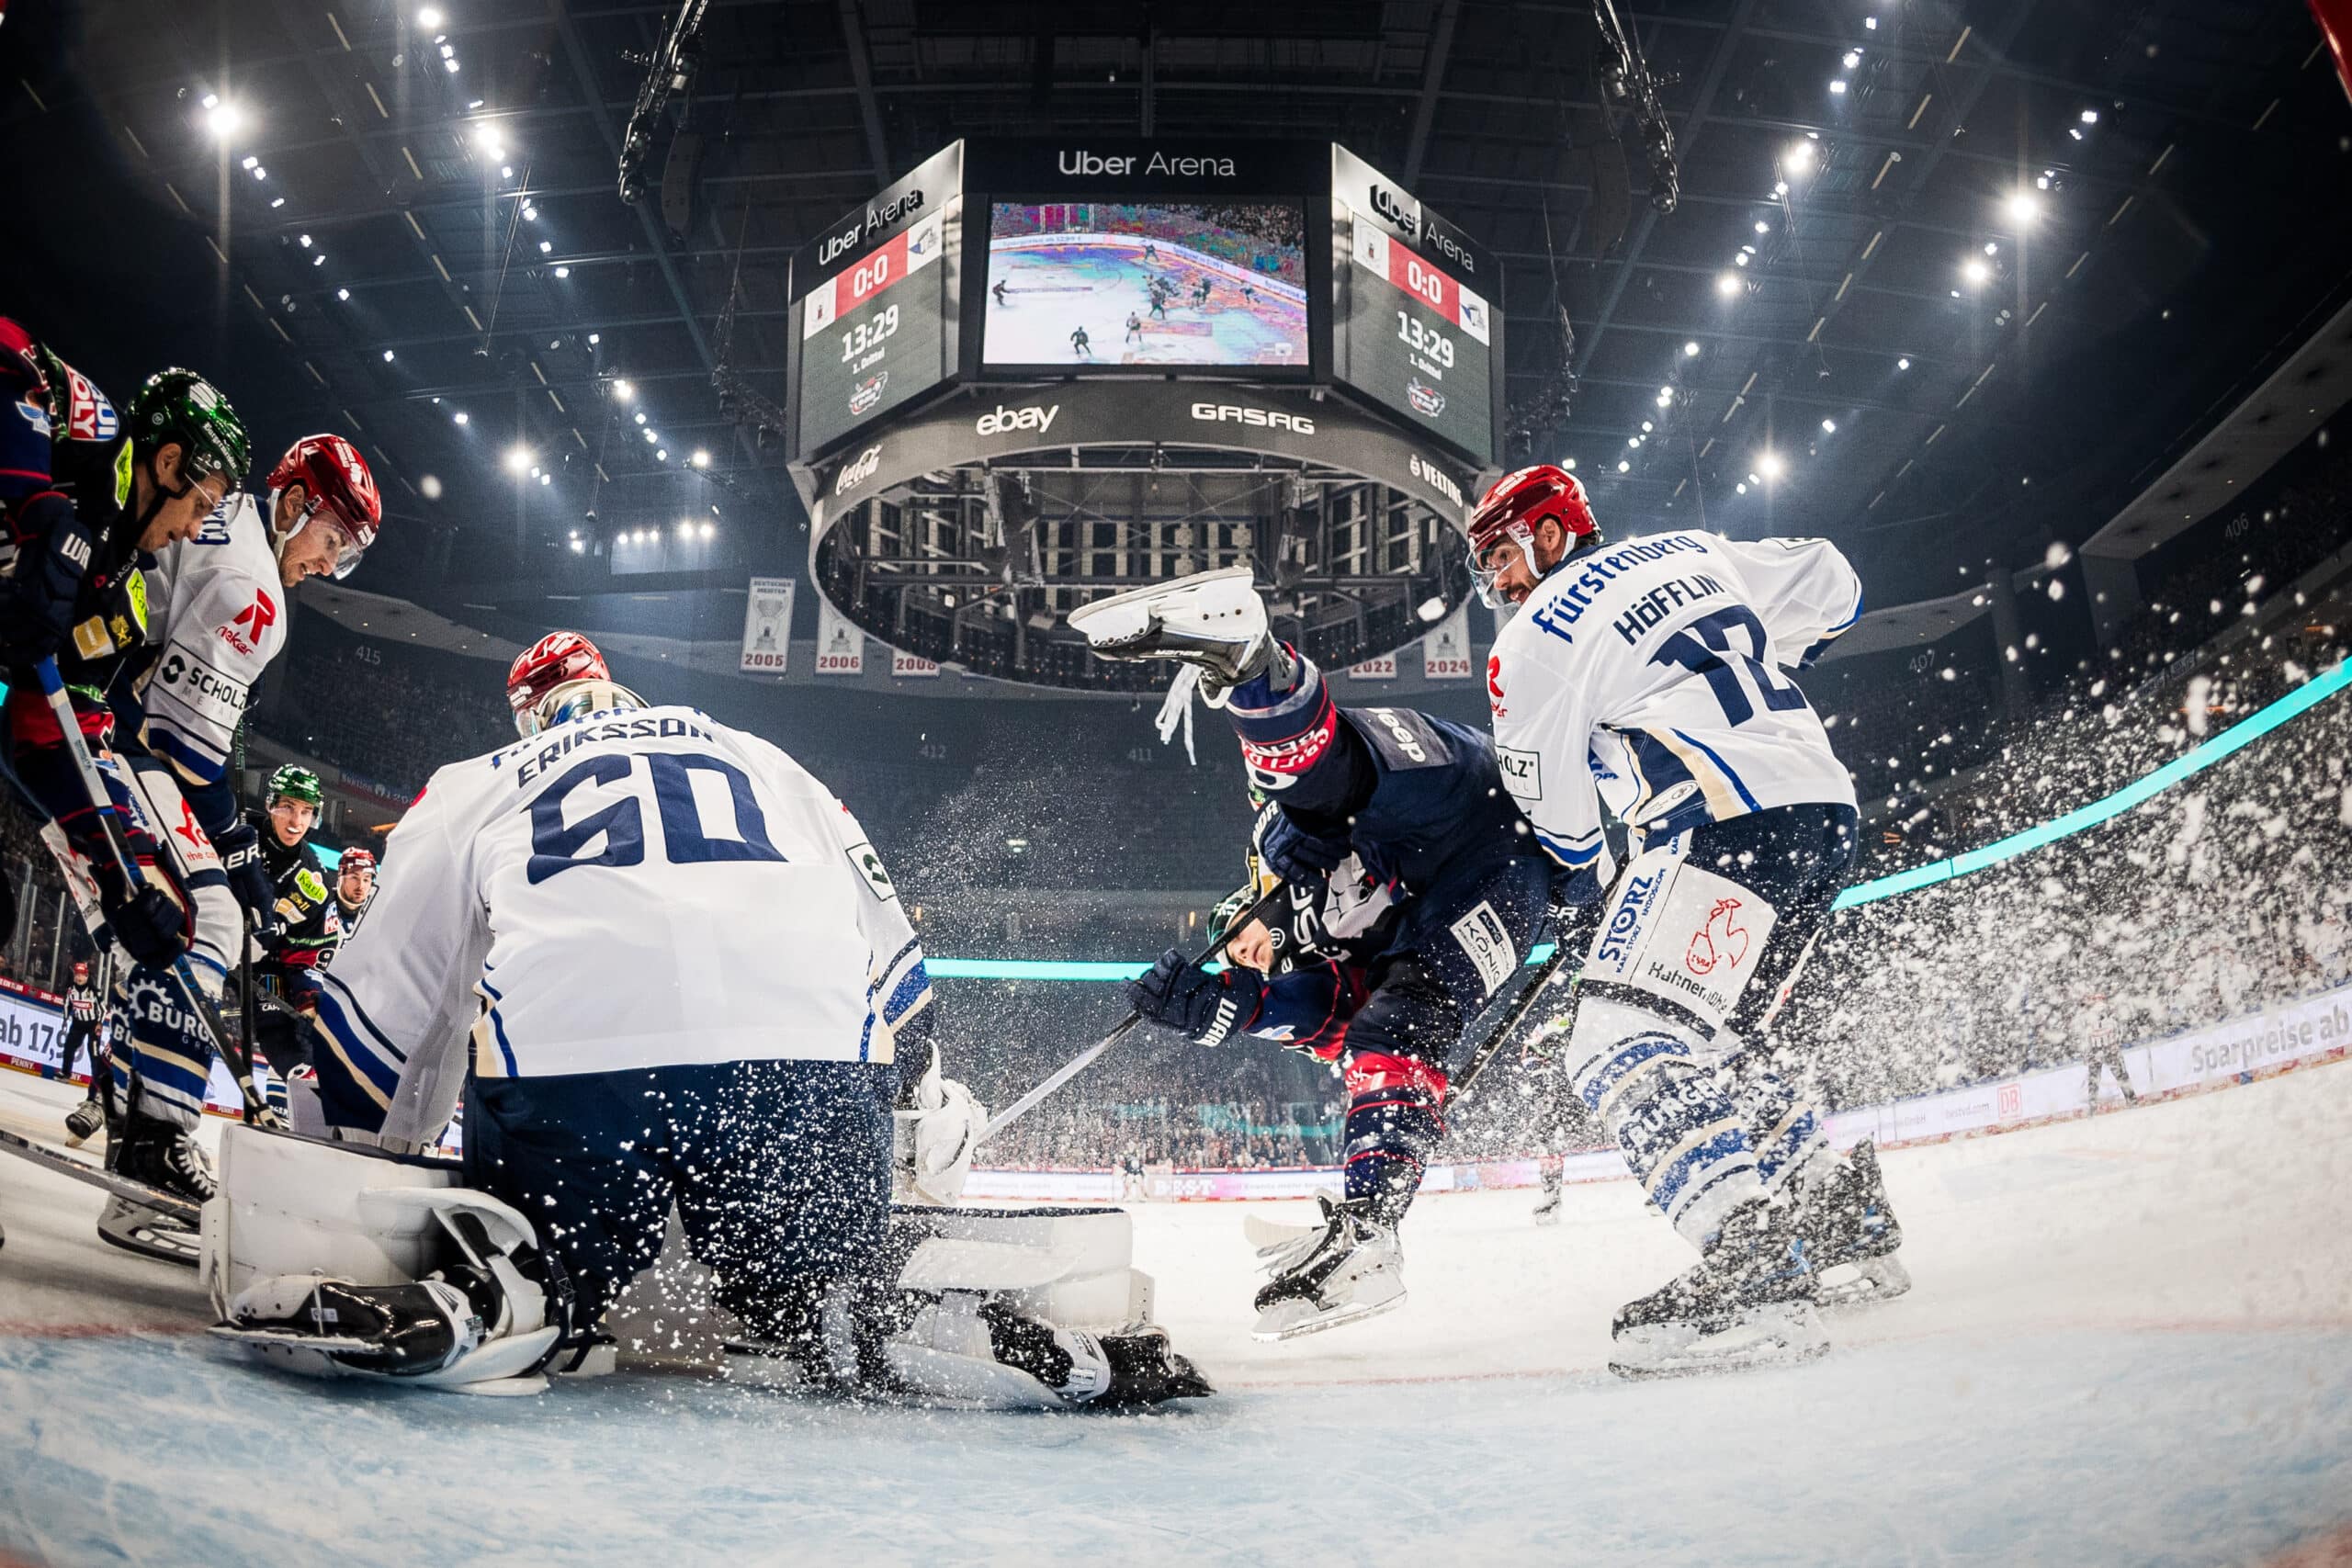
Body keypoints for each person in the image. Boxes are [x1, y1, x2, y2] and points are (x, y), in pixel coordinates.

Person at [220, 632, 1205, 1404]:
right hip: (801, 1064)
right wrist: (908, 1109)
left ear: (530, 718)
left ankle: (516, 1291)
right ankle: (923, 1324)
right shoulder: (763, 758)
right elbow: (899, 970)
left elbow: (390, 1001)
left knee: (552, 1253)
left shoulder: (479, 782)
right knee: (822, 1293)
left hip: (584, 1061)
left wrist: (355, 1151)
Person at [1463, 463, 1905, 1376]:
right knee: (1709, 1040)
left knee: (1611, 1040)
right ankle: (1836, 1218)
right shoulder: (1692, 550)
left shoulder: (1531, 638)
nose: (1498, 583)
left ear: (1549, 532)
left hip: (1716, 820)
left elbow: (1560, 822)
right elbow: (1836, 582)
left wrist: (1584, 892)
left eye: (1501, 556)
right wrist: (1764, 661)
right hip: (1823, 807)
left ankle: (1752, 1270)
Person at [1073, 570, 1554, 1339]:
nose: (1252, 958)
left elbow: (1318, 803)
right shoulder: (1305, 946)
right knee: (1391, 1023)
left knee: (1335, 786)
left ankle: (1254, 665)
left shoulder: (1274, 867)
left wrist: (1304, 826)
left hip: (1470, 805)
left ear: (1243, 915)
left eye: (1245, 949)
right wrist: (1224, 1010)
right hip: (1466, 885)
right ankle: (1368, 1223)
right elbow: (1332, 1014)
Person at [93, 432, 379, 1258]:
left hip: (103, 720)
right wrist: (237, 845)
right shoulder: (254, 584)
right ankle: (153, 1145)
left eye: (347, 553)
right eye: (332, 538)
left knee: (162, 938)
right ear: (293, 503)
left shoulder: (233, 528)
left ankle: (133, 1127)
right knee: (213, 922)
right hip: (112, 738)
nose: (329, 563)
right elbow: (184, 747)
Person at [0, 346, 253, 1249]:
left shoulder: (123, 595)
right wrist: (35, 503)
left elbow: (45, 730)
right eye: (198, 503)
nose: (191, 529)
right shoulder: (89, 429)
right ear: (168, 462)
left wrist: (120, 871)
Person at [57, 957, 108, 1145]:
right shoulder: (71, 990)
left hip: (92, 1025)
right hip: (78, 1023)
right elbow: (67, 1004)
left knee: (95, 1057)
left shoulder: (94, 991)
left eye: (82, 975)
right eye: (77, 975)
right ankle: (66, 1072)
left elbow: (103, 1009)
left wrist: (100, 1023)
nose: (79, 978)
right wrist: (65, 1018)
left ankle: (94, 1093)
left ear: (87, 976)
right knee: (69, 1047)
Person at [2083, 992, 2137, 1111]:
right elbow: (2119, 1030)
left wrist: (2088, 1052)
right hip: (2107, 1048)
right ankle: (2131, 1101)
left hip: (2099, 1049)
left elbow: (2087, 1036)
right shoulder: (2108, 1012)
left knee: (2094, 1081)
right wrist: (2116, 1043)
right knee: (2121, 1076)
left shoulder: (2090, 1016)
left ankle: (2093, 1107)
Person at [328, 846, 375, 946]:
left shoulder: (374, 918)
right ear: (340, 875)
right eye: (354, 877)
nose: (361, 886)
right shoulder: (319, 906)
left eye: (366, 879)